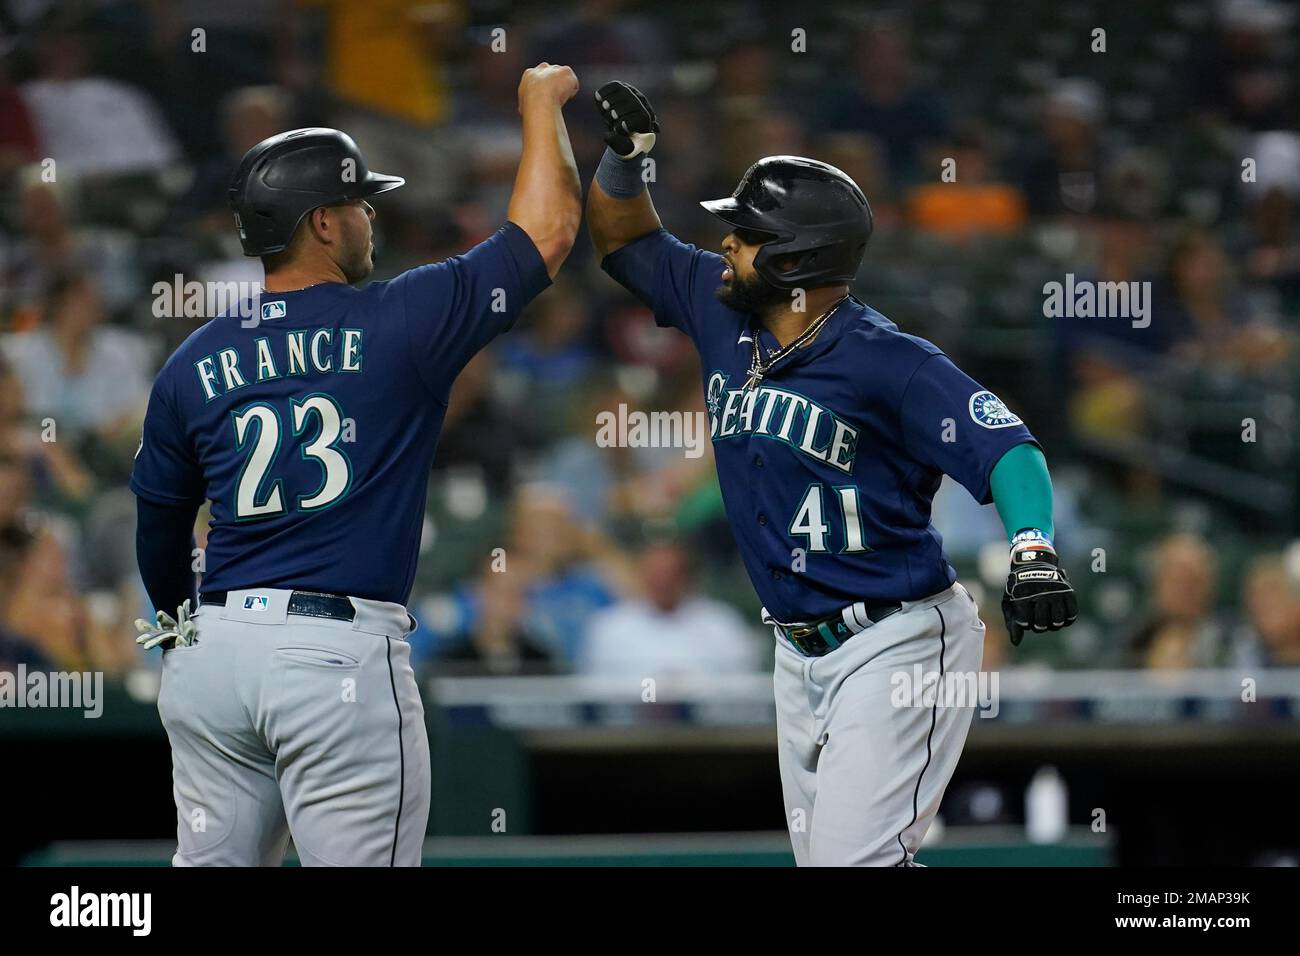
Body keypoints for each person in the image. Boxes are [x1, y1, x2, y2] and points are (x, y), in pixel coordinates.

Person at [586, 82, 1077, 866]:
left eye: (744, 235)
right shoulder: (722, 312)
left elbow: (1008, 447)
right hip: (797, 653)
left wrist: (1031, 549)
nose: (726, 245)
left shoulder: (891, 363)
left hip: (898, 641)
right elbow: (621, 241)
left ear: (792, 260)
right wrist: (626, 159)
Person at [129, 63, 581, 867]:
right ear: (324, 224)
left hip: (214, 658)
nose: (372, 215)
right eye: (359, 202)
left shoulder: (193, 358)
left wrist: (178, 633)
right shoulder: (402, 319)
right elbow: (546, 232)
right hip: (333, 659)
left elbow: (159, 524)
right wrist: (539, 104)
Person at [578, 539, 759, 676]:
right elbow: (595, 691)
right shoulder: (609, 627)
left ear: (687, 576)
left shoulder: (721, 623)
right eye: (655, 576)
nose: (663, 583)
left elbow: (744, 687)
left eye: (671, 575)